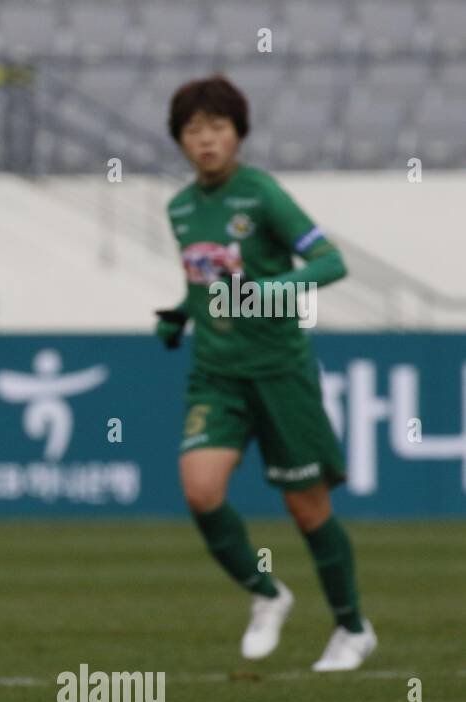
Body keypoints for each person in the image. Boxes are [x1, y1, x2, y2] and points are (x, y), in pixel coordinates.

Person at [157, 75, 375, 671]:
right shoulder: (179, 208)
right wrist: (180, 314)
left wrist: (276, 289)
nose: (206, 140)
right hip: (216, 373)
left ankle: (352, 628)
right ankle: (267, 592)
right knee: (201, 491)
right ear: (180, 140)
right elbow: (205, 283)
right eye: (193, 130)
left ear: (238, 133)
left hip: (280, 372)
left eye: (217, 127)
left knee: (307, 509)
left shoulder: (262, 195)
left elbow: (330, 262)